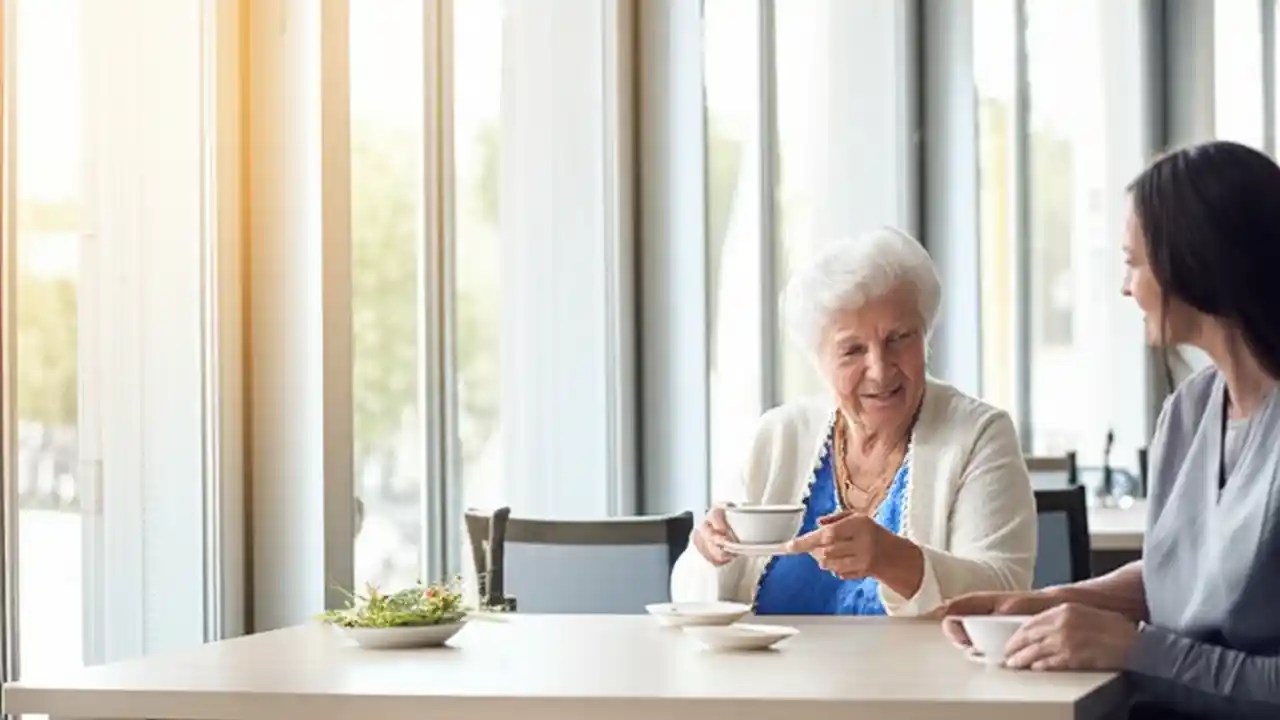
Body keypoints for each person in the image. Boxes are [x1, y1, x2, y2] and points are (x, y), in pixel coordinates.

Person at [941, 141, 1280, 718]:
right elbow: (1192, 574)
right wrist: (1051, 604)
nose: (1127, 288)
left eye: (1133, 262)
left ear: (1195, 261)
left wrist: (1136, 649)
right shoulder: (1189, 412)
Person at [670, 227, 1036, 616]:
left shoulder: (978, 434)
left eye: (899, 338)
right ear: (819, 360)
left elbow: (1006, 591)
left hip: (921, 678)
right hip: (772, 677)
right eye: (852, 350)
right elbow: (692, 600)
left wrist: (894, 560)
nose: (879, 370)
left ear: (925, 335)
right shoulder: (778, 436)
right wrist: (708, 552)